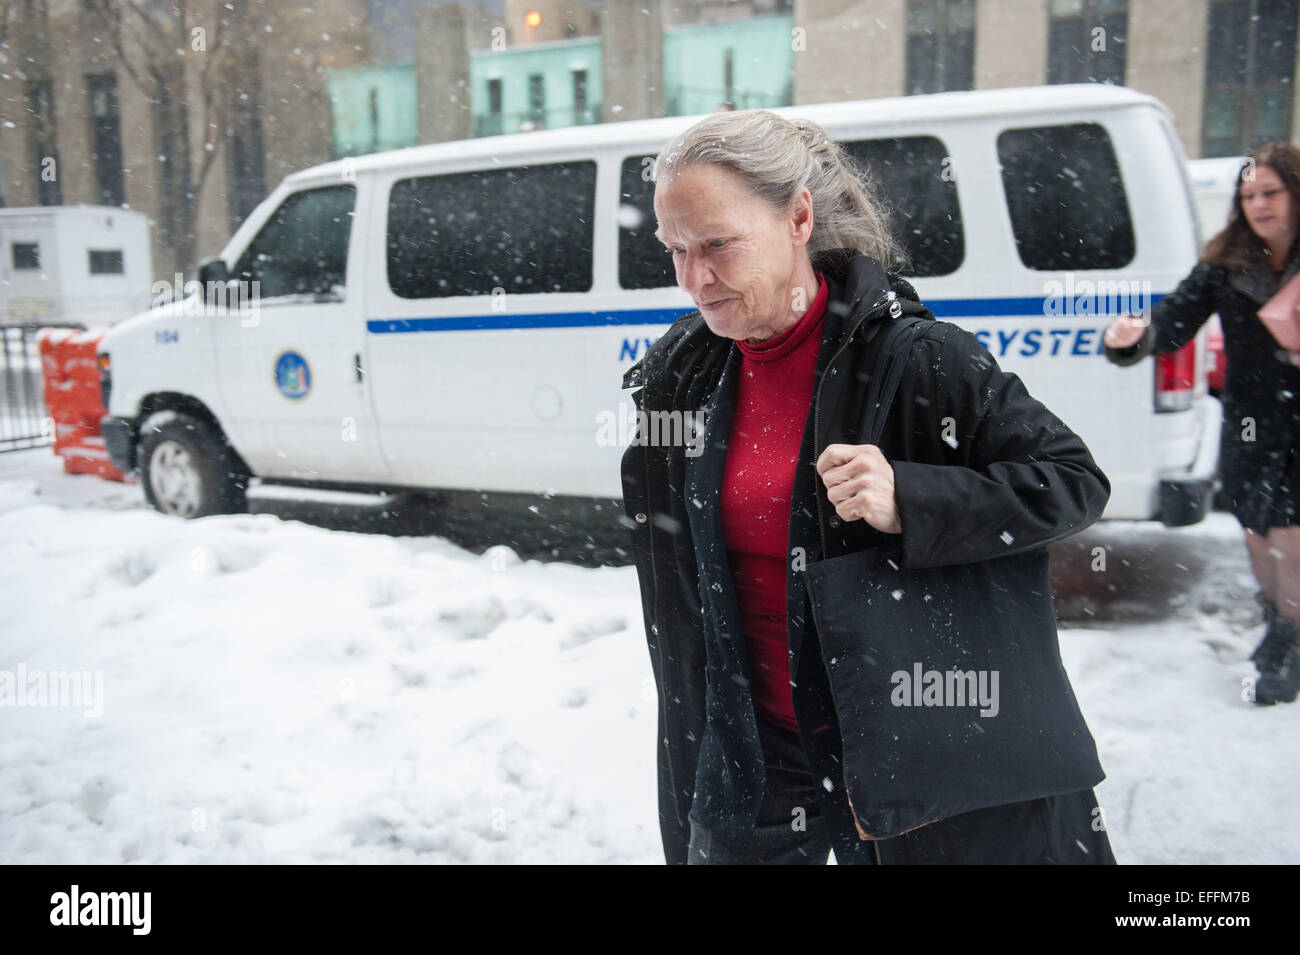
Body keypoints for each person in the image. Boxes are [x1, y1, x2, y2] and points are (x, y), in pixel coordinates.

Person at [619, 109, 1117, 865]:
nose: (694, 278)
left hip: (896, 740)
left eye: (717, 244)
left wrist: (913, 499)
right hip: (750, 748)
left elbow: (1073, 480)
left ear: (798, 217)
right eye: (675, 250)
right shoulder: (684, 375)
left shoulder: (918, 360)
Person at [1104, 143, 1300, 706]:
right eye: (1248, 196)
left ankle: (1287, 640)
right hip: (1252, 420)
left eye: (1271, 192)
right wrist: (1134, 338)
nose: (1258, 204)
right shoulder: (1229, 259)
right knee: (1258, 528)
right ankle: (1277, 619)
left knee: (1289, 528)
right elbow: (1174, 319)